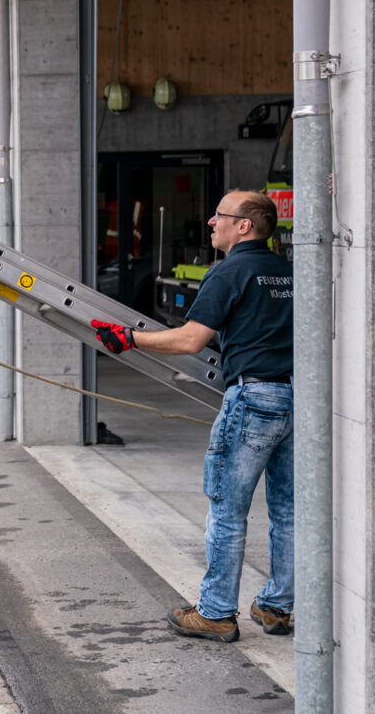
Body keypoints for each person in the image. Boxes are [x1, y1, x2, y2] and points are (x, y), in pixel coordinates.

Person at [91, 189, 294, 642]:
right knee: (290, 511)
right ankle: (278, 606)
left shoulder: (228, 273)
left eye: (219, 215)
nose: (209, 222)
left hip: (252, 401)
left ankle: (217, 611)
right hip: (297, 399)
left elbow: (190, 341)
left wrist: (129, 338)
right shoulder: (290, 272)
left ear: (245, 226)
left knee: (227, 509)